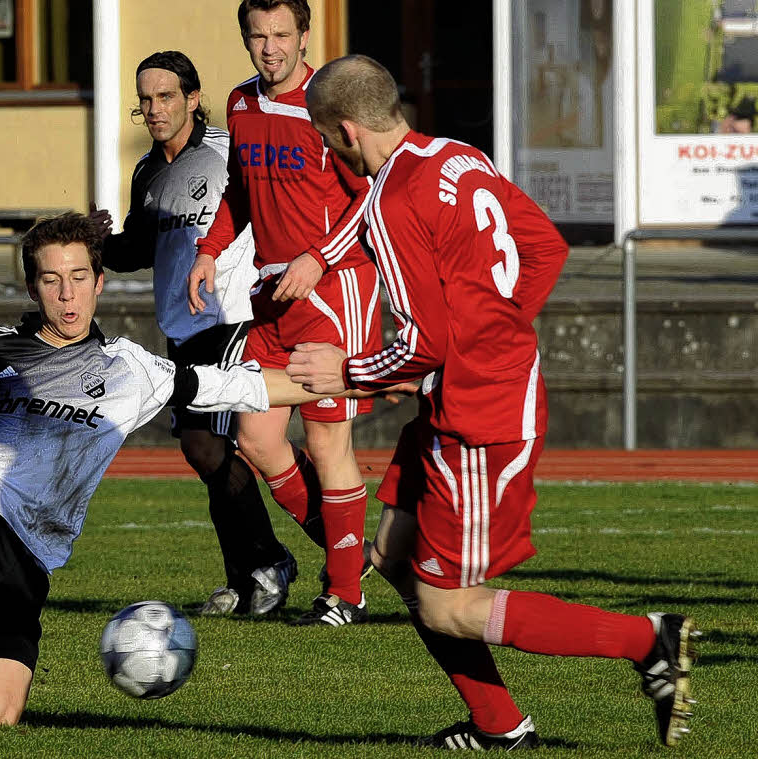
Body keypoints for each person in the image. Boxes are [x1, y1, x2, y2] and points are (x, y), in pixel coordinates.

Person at [0, 211, 389, 739]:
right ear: (33, 289)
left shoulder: (133, 371)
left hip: (35, 555)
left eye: (79, 278)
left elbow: (244, 387)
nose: (67, 294)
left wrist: (364, 374)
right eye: (52, 281)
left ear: (100, 282)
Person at [288, 55, 699, 749]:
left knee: (448, 606)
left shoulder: (391, 202)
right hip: (470, 391)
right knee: (392, 553)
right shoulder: (457, 155)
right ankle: (498, 724)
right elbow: (543, 246)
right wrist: (496, 332)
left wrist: (345, 370)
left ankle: (648, 639)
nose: (330, 153)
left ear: (349, 130)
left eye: (327, 139)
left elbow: (425, 343)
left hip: (478, 416)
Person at [187, 0, 380, 627]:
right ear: (246, 39)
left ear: (304, 36)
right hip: (270, 298)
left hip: (332, 296)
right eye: (257, 35)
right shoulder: (241, 105)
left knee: (326, 444)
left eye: (281, 35)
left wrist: (320, 259)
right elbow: (239, 191)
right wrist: (210, 250)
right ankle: (349, 554)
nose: (270, 48)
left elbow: (370, 198)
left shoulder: (329, 108)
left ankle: (344, 593)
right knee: (255, 438)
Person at [90, 51, 294, 618]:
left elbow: (278, 208)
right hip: (182, 325)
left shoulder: (231, 153)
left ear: (192, 98)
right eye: (145, 101)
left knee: (212, 444)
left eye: (165, 97)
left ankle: (272, 565)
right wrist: (92, 244)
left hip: (233, 316)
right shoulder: (147, 171)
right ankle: (252, 573)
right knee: (204, 451)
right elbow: (138, 246)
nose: (154, 110)